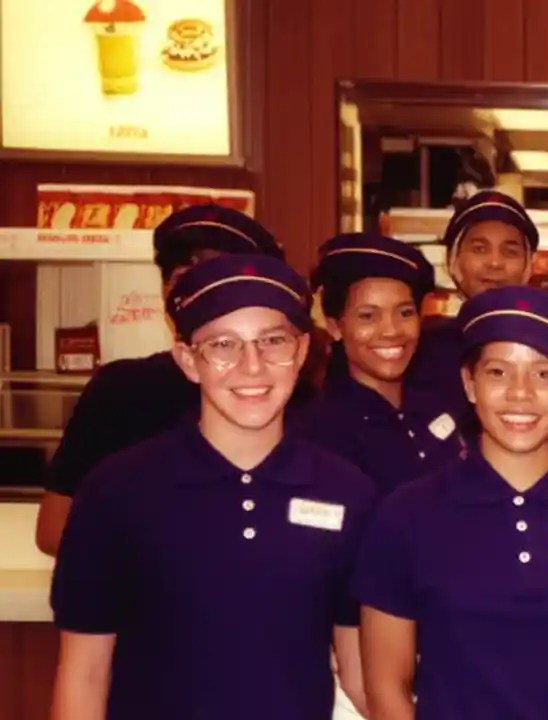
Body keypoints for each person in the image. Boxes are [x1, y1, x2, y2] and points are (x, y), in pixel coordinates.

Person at [49, 254, 377, 720]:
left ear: (302, 352)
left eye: (273, 342)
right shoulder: (117, 491)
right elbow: (83, 673)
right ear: (187, 360)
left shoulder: (348, 493)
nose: (252, 366)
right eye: (224, 345)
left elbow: (360, 673)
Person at [354, 285, 548, 720]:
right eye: (499, 372)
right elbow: (386, 687)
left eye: (545, 374)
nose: (521, 395)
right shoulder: (407, 514)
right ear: (469, 383)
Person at [34, 204, 301, 557]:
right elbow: (55, 529)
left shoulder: (293, 395)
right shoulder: (121, 391)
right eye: (182, 284)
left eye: (217, 286)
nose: (198, 301)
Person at [298, 233, 463, 495]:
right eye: (368, 316)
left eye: (405, 313)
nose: (391, 331)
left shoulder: (436, 404)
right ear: (335, 326)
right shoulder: (321, 432)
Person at [404, 190, 539, 421]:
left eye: (510, 251)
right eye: (479, 249)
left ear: (528, 267)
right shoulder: (419, 350)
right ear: (452, 262)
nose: (495, 263)